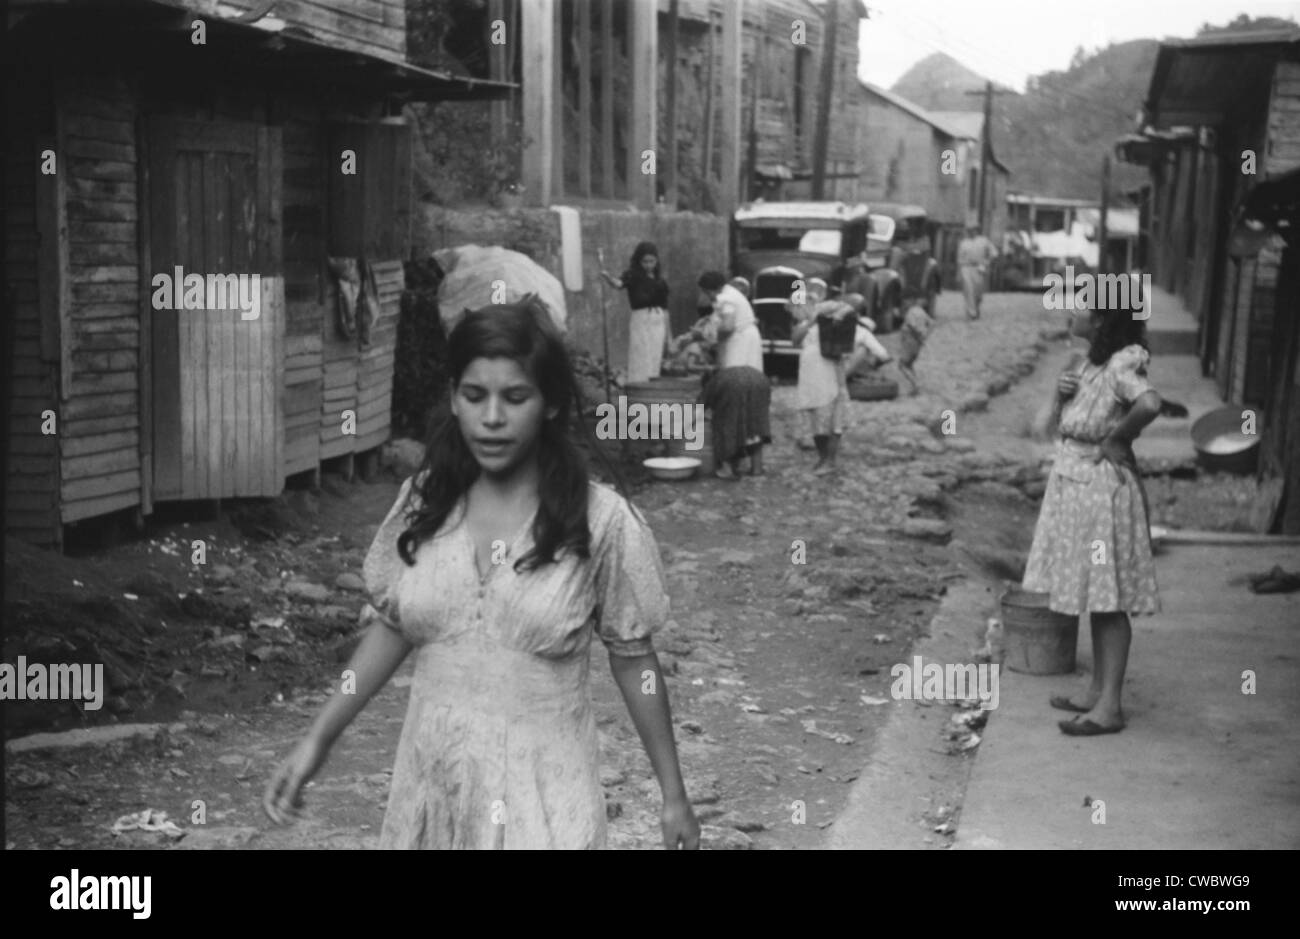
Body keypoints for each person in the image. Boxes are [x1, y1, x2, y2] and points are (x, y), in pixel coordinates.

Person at [263, 298, 700, 849]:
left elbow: (634, 658)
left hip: (545, 810)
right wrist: (317, 739)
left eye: (515, 398)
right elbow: (394, 625)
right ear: (454, 399)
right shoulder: (426, 503)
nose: (492, 418)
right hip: (433, 793)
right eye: (474, 396)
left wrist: (674, 795)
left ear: (549, 405)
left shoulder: (601, 523)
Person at [1023, 298, 1163, 737]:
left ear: (1100, 319)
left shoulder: (1123, 363)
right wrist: (1059, 394)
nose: (1071, 313)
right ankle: (1097, 691)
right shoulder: (1087, 365)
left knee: (1108, 596)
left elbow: (1151, 404)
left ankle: (1110, 708)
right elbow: (1040, 428)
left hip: (1101, 491)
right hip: (1076, 485)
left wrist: (1119, 440)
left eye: (1081, 308)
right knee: (1094, 590)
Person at [789, 291, 890, 475]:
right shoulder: (807, 325)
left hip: (831, 376)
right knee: (816, 420)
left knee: (834, 421)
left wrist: (835, 314)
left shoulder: (843, 325)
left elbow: (849, 307)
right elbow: (795, 340)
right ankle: (823, 458)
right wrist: (812, 320)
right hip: (810, 379)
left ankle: (830, 460)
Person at [601, 242, 671, 383]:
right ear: (639, 261)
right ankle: (638, 386)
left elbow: (665, 309)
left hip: (658, 319)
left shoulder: (660, 281)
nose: (648, 265)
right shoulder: (632, 276)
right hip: (641, 318)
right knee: (640, 354)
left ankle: (652, 387)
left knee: (655, 355)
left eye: (652, 261)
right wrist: (608, 278)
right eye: (645, 261)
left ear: (656, 261)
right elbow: (618, 284)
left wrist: (669, 336)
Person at [698, 270, 763, 373]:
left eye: (707, 292)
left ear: (713, 289)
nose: (708, 296)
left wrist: (714, 340)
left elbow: (728, 327)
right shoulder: (730, 293)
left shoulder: (726, 298)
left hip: (741, 340)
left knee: (735, 374)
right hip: (745, 336)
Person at [896, 287, 935, 396]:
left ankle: (915, 384)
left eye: (905, 301)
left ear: (911, 300)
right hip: (917, 344)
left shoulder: (911, 312)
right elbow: (932, 323)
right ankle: (914, 386)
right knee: (909, 364)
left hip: (910, 341)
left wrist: (919, 335)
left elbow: (912, 325)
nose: (904, 303)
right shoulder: (922, 311)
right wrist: (925, 335)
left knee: (902, 365)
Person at [957, 224, 997, 319]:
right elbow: (959, 259)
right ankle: (972, 312)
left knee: (978, 292)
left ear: (977, 231)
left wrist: (986, 263)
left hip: (979, 268)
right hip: (966, 268)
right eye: (969, 230)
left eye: (973, 230)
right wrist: (958, 273)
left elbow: (994, 253)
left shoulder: (984, 241)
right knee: (968, 290)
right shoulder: (963, 243)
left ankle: (976, 306)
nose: (971, 232)